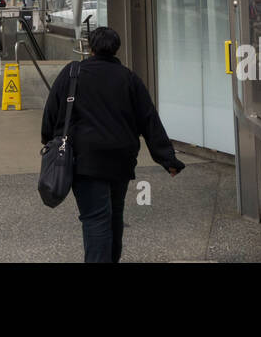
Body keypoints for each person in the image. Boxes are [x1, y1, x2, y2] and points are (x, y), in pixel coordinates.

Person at [40, 26, 185, 263]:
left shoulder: (73, 73)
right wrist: (167, 159)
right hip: (120, 160)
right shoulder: (128, 78)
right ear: (116, 49)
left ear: (90, 47)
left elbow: (51, 112)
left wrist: (49, 141)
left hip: (85, 160)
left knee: (96, 218)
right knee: (114, 216)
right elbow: (149, 120)